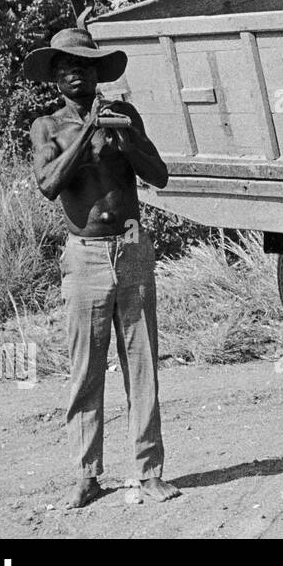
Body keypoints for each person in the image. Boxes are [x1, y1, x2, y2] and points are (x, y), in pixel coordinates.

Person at [25, 28, 176, 509]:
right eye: (66, 65)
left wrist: (124, 138)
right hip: (85, 254)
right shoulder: (47, 127)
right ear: (54, 76)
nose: (76, 72)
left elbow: (160, 175)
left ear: (96, 72)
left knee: (142, 363)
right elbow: (48, 183)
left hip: (131, 247)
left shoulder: (124, 116)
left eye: (85, 65)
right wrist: (88, 131)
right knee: (85, 370)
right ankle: (87, 476)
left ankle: (149, 472)